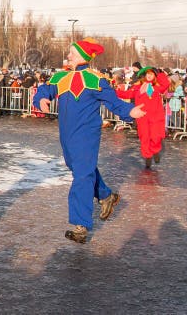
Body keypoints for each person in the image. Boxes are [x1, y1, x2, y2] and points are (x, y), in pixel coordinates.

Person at [33, 38, 145, 244]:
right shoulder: (60, 77)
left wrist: (130, 111)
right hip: (67, 134)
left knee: (82, 176)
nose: (68, 56)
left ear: (83, 57)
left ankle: (80, 225)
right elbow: (44, 90)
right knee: (80, 169)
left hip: (87, 134)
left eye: (72, 53)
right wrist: (41, 99)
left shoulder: (96, 79)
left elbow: (114, 103)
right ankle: (106, 196)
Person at [117, 67, 170, 168]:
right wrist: (113, 92)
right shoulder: (138, 87)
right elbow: (127, 94)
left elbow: (166, 84)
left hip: (156, 116)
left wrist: (159, 73)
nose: (149, 75)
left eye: (151, 74)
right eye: (147, 74)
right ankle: (147, 156)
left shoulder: (157, 87)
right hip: (142, 116)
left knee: (156, 137)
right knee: (144, 137)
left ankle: (155, 151)